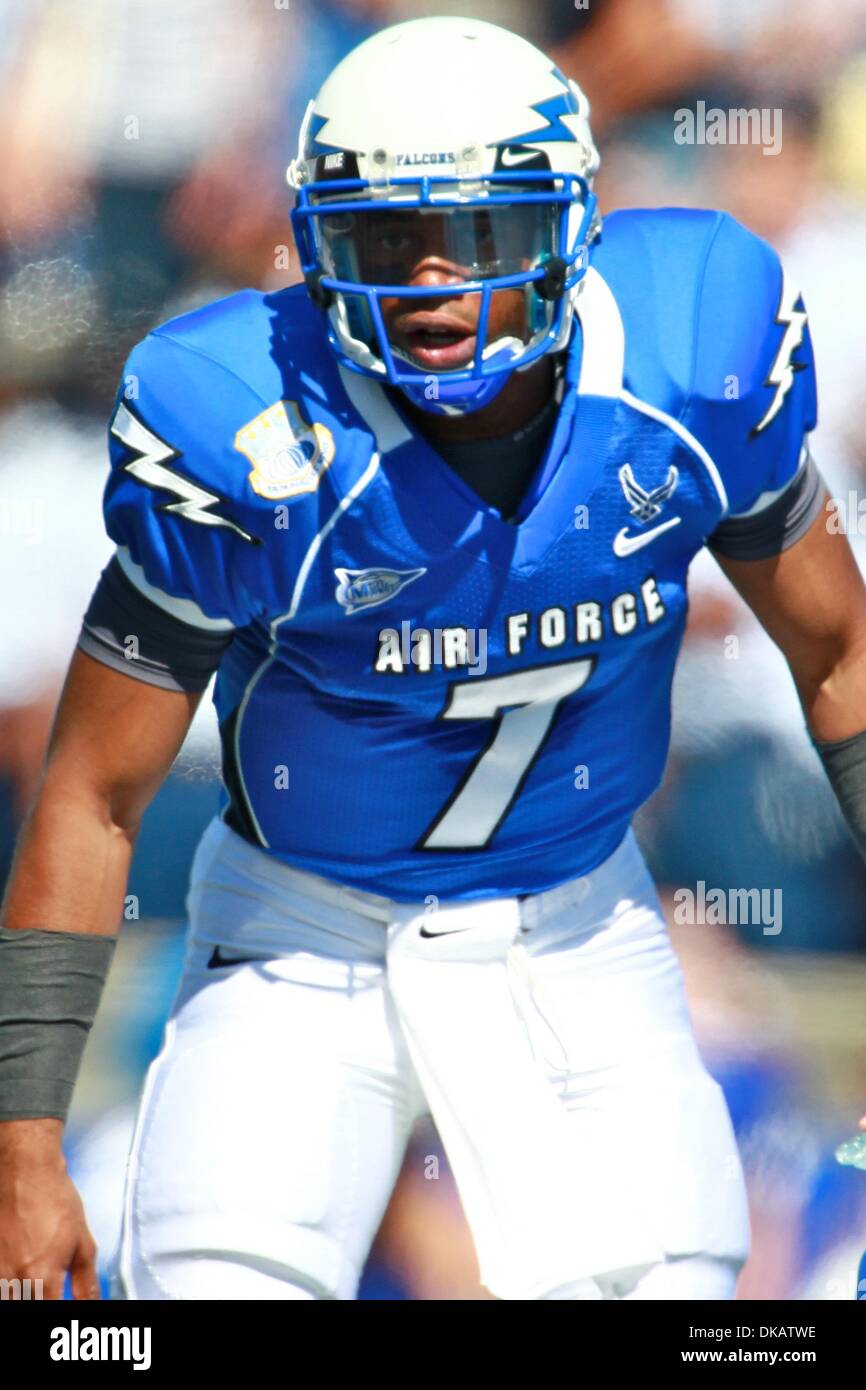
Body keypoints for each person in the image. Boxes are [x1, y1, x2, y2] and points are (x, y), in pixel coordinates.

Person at [1, 15, 865, 1303]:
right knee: (214, 1281)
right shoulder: (246, 424)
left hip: (578, 918)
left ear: (569, 224)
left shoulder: (688, 361)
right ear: (318, 245)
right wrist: (24, 1148)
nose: (433, 284)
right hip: (303, 931)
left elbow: (840, 656)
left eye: (479, 235)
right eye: (388, 239)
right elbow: (91, 790)